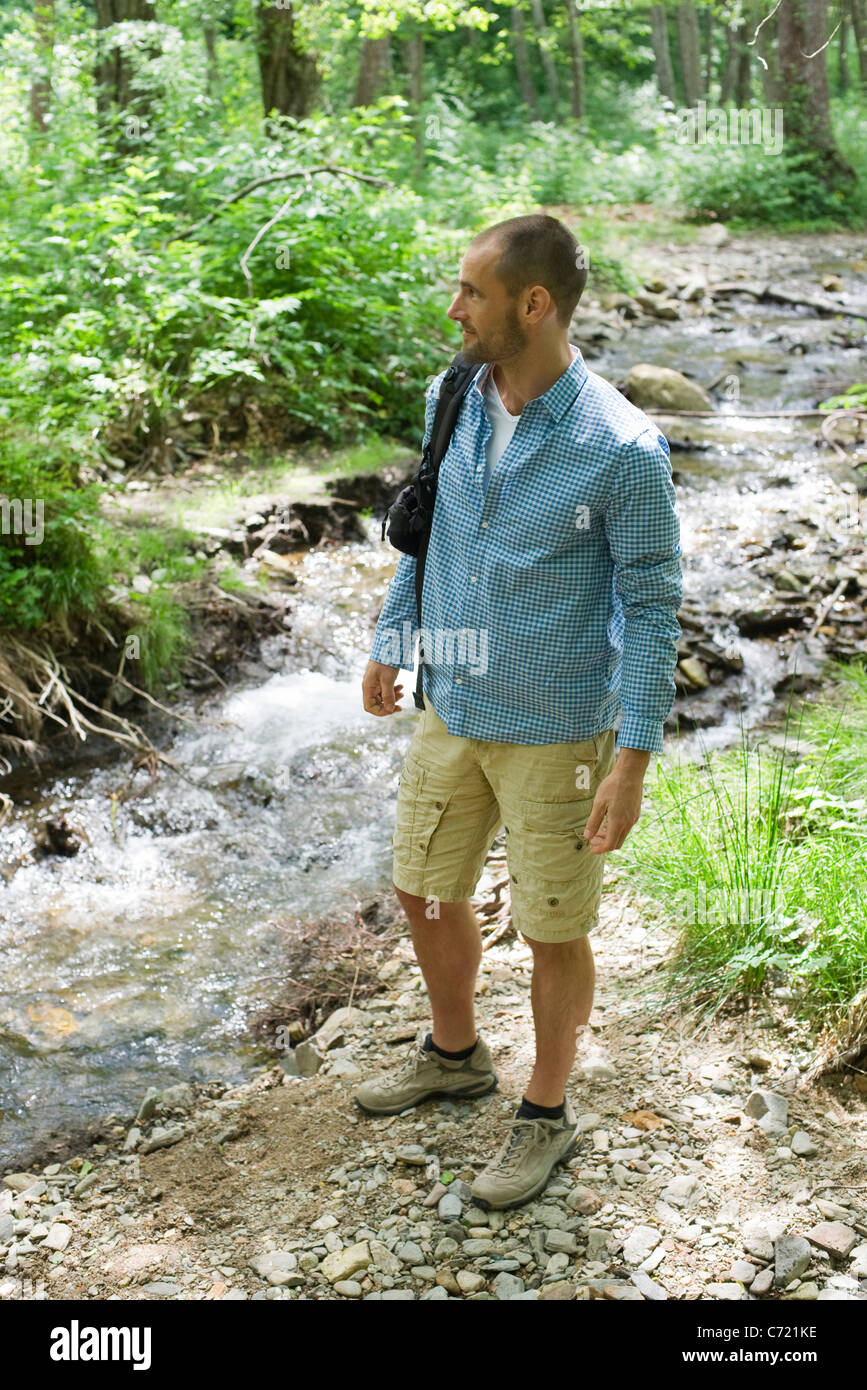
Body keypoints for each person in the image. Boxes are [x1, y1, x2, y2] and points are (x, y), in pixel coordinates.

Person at [357, 212, 683, 1211]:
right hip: (451, 702)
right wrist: (391, 634)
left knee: (551, 927)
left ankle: (547, 1112)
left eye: (472, 292)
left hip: (559, 726)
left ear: (532, 305)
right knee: (421, 887)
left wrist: (630, 762)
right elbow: (425, 530)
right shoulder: (450, 393)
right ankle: (454, 1050)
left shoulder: (622, 447)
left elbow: (654, 605)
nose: (455, 308)